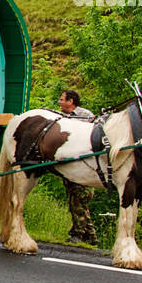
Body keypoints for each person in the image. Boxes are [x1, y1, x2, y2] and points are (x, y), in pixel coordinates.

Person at [59, 88, 98, 244]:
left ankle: (78, 233)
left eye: (62, 99)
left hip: (84, 164)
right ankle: (91, 236)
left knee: (79, 199)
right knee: (76, 200)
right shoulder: (61, 117)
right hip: (67, 164)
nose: (59, 102)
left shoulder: (86, 116)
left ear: (71, 101)